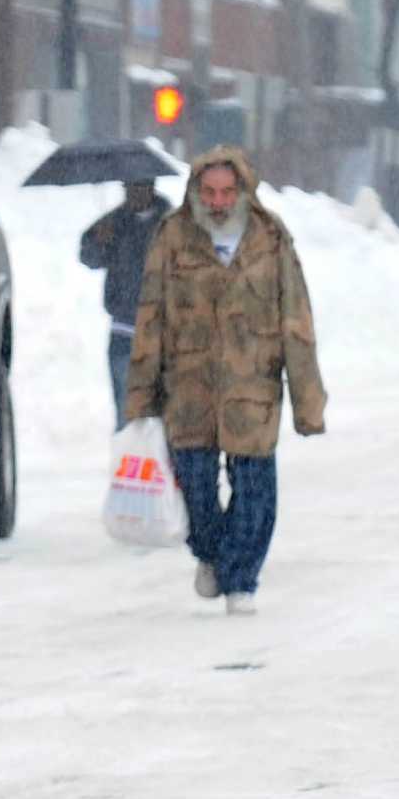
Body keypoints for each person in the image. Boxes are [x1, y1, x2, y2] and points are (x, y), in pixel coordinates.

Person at [124, 146, 326, 615]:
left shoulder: (271, 239)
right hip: (189, 390)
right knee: (194, 489)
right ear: (196, 192)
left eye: (226, 192)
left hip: (253, 389)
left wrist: (308, 401)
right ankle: (212, 554)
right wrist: (140, 397)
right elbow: (150, 317)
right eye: (209, 192)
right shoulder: (173, 237)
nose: (217, 201)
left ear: (243, 193)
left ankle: (241, 580)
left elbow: (296, 320)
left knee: (256, 492)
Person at [80, 178, 173, 428]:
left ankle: (163, 464)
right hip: (123, 331)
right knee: (126, 412)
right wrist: (98, 239)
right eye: (129, 188)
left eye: (138, 187)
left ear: (151, 187)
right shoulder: (115, 222)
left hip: (163, 334)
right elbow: (89, 257)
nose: (133, 194)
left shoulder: (172, 224)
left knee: (165, 415)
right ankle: (131, 463)